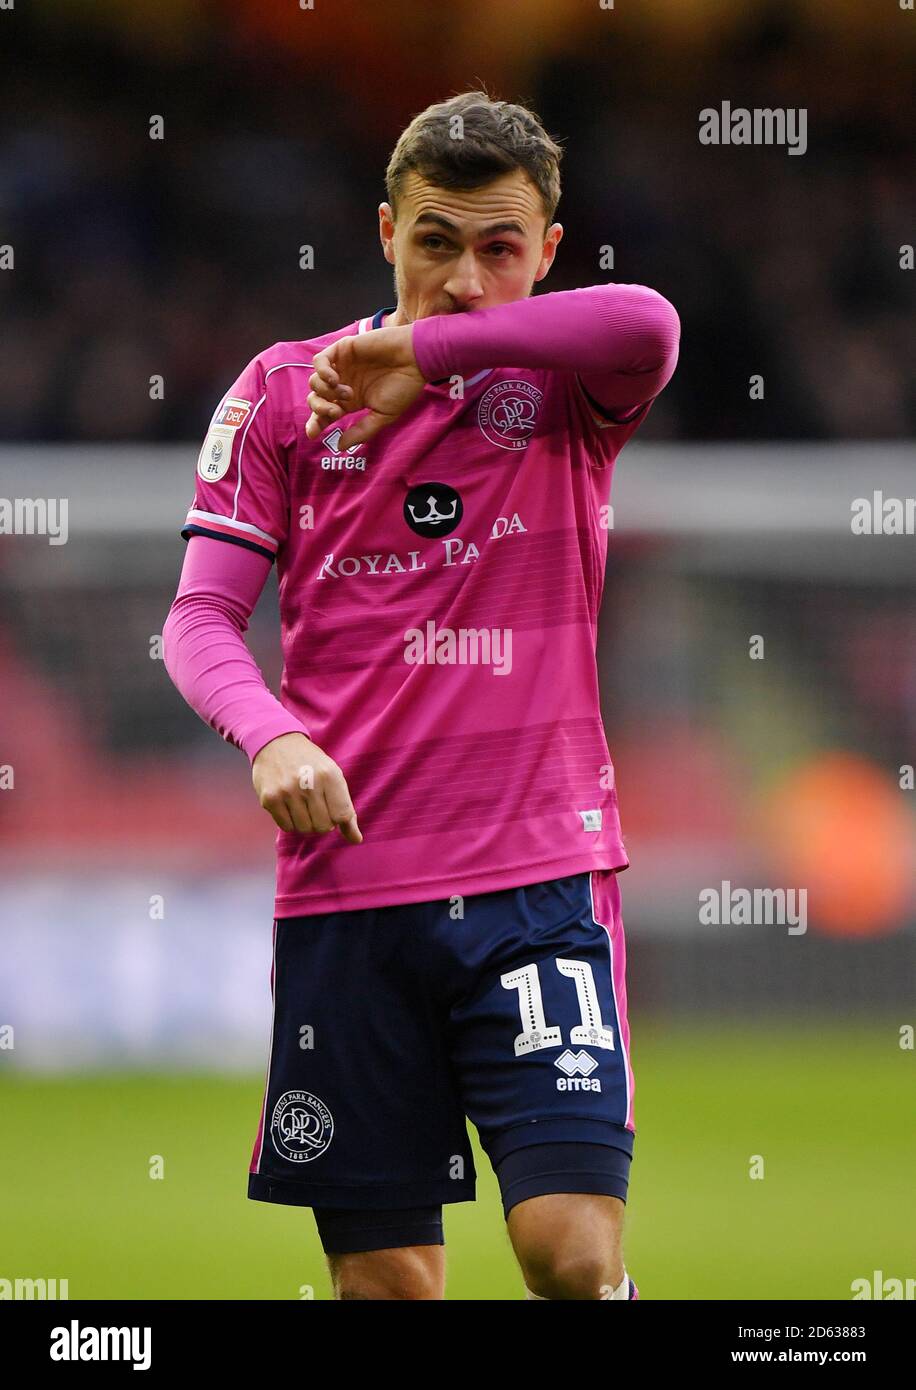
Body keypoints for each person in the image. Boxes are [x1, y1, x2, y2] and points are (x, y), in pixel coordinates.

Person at [163, 89, 679, 1300]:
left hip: (537, 884)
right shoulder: (285, 393)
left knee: (570, 1254)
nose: (463, 278)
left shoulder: (569, 391)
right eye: (435, 241)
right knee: (387, 1284)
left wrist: (423, 352)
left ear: (546, 253)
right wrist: (270, 736)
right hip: (351, 894)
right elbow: (196, 621)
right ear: (386, 228)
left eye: (500, 248)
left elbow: (648, 321)